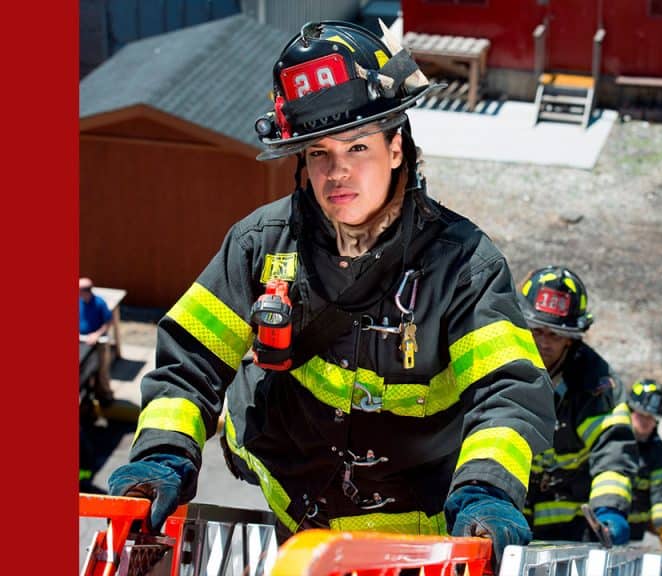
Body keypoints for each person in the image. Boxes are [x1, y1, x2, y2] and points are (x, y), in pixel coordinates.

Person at [108, 20, 556, 573]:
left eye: (358, 146)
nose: (337, 172)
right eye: (318, 152)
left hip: (415, 541)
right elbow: (188, 362)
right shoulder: (260, 245)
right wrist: (161, 457)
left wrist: (487, 490)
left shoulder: (464, 266)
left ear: (397, 148)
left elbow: (507, 393)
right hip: (296, 521)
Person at [517, 265, 638, 545]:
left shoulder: (595, 384)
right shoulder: (498, 364)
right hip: (509, 515)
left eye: (555, 335)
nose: (544, 343)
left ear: (571, 339)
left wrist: (609, 510)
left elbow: (612, 448)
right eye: (537, 331)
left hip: (571, 529)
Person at [627, 378, 662, 548]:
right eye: (641, 414)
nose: (646, 421)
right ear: (630, 410)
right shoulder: (613, 442)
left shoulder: (658, 451)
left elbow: (661, 492)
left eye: (651, 417)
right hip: (601, 529)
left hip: (633, 535)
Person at [79, 277, 114, 405]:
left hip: (98, 342)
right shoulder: (78, 301)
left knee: (102, 371)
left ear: (86, 291)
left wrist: (96, 334)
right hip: (82, 341)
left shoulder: (99, 303)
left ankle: (106, 395)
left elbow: (108, 322)